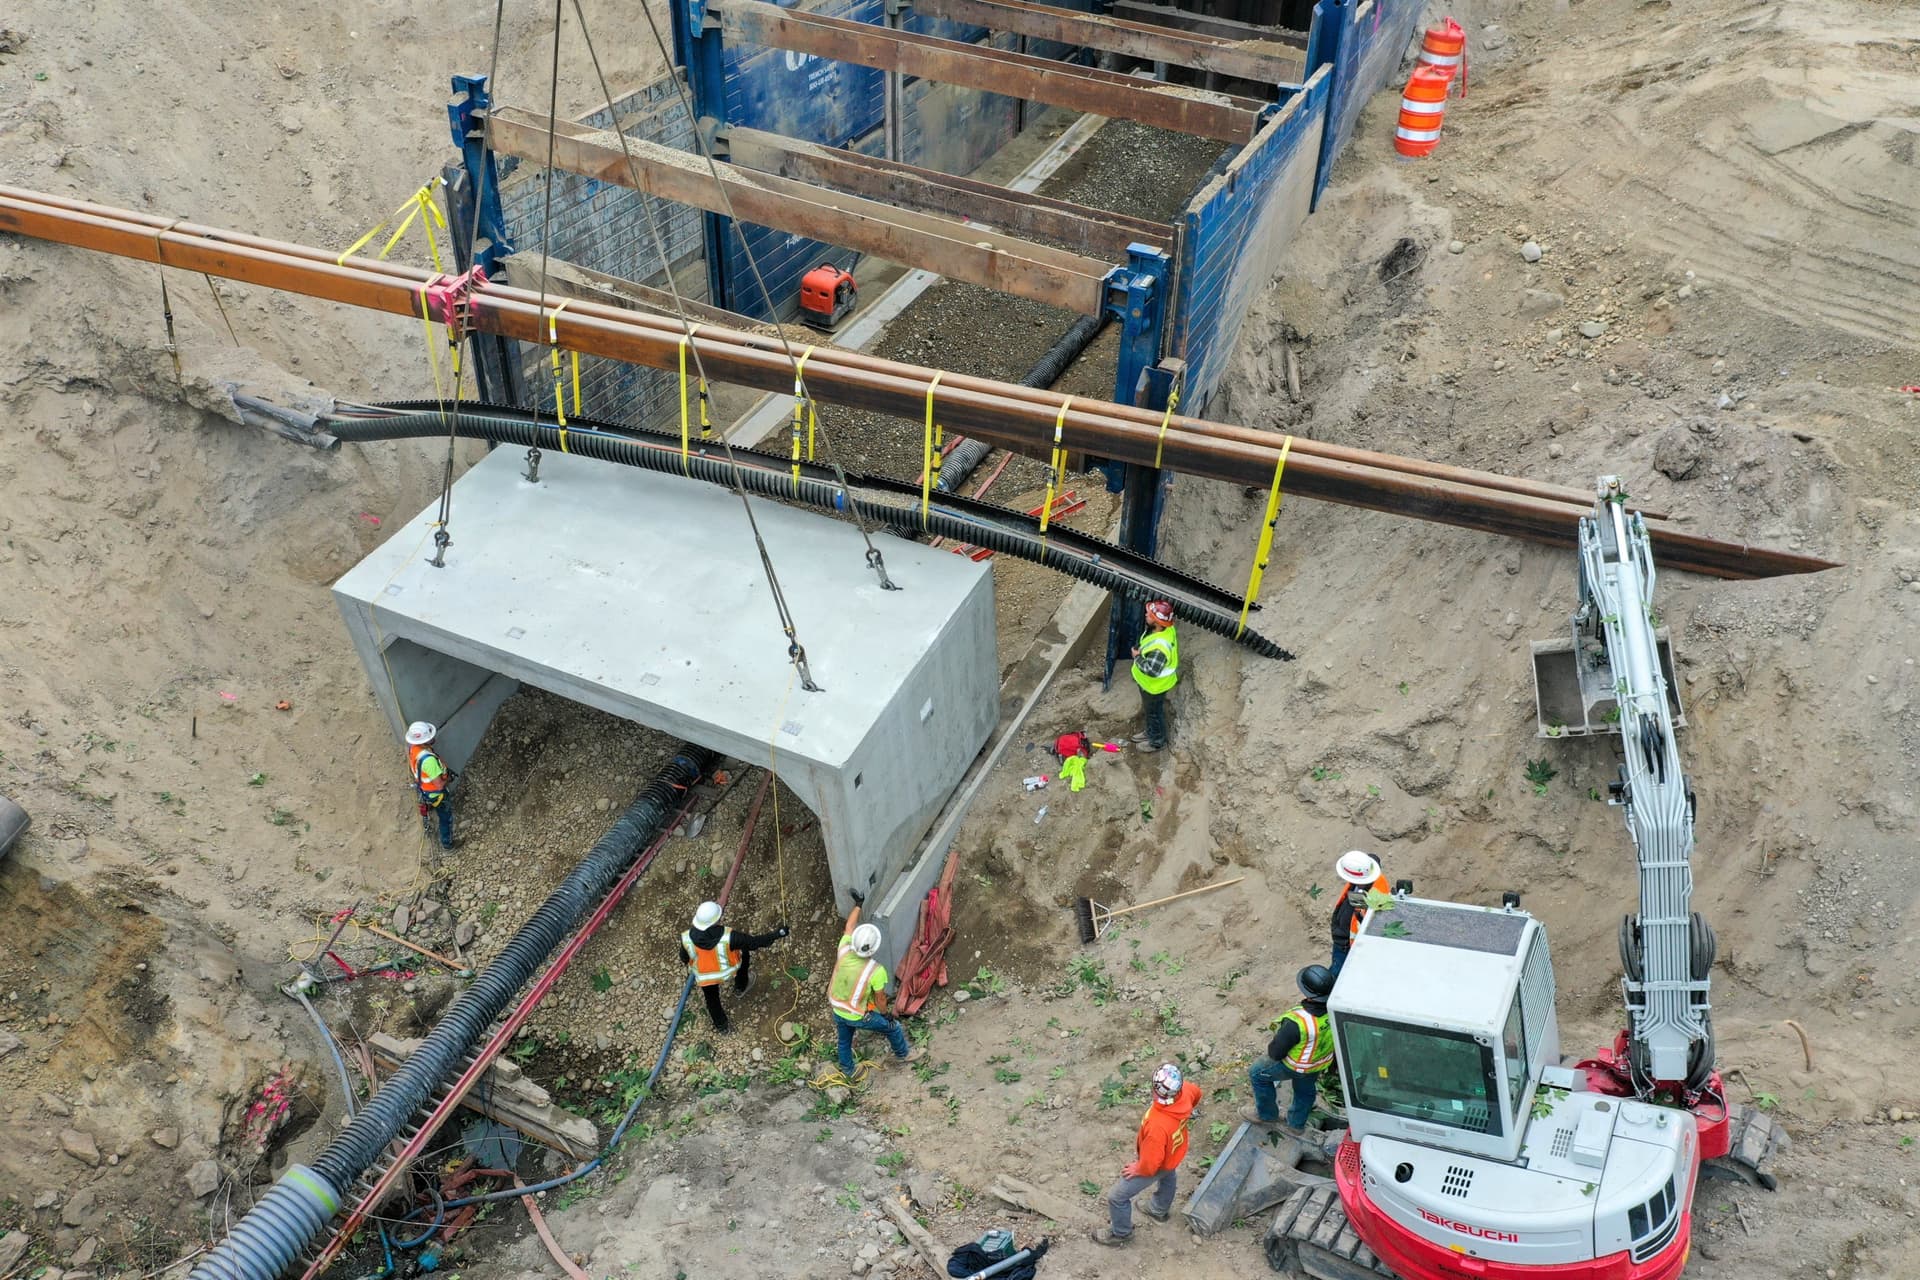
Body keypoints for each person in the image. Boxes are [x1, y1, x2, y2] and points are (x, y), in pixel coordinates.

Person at [1091, 1063, 1202, 1247]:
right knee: (1169, 1175)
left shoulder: (1157, 1125)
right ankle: (1158, 1209)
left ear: (1155, 1089)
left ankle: (1121, 1234)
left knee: (1117, 1197)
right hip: (1175, 1151)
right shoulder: (1186, 1091)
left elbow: (1150, 1165)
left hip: (1158, 1161)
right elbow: (1197, 1093)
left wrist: (1138, 1168)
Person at [828, 898, 924, 1075]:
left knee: (844, 1041)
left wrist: (858, 904)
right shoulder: (875, 970)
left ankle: (848, 1070)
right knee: (892, 1028)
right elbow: (880, 998)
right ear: (873, 949)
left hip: (837, 1007)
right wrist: (885, 1014)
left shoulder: (844, 949)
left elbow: (848, 927)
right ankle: (902, 1054)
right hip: (856, 1013)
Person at [1243, 965, 1336, 1136]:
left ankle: (1267, 1115)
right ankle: (1296, 1124)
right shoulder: (1335, 1009)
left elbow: (1275, 1053)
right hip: (1318, 1063)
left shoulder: (1298, 1022)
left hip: (1295, 1066)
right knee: (1305, 1091)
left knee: (1257, 1073)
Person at [679, 901, 789, 1033]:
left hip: (705, 977)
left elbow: (684, 958)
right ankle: (741, 986)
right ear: (716, 920)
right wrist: (777, 934)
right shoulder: (729, 937)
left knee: (712, 1001)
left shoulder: (686, 938)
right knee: (744, 953)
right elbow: (754, 943)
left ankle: (722, 1027)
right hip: (728, 971)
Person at [1329, 849, 1390, 977]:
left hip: (1350, 948)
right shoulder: (1360, 885)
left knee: (1337, 981)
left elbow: (1369, 927)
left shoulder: (1375, 896)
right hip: (1343, 943)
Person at [1129, 600, 1179, 754]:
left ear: (1157, 623)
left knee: (1154, 713)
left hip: (1154, 687)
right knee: (1151, 711)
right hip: (1149, 685)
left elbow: (1152, 670)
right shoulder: (1161, 630)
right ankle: (1150, 731)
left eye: (1149, 615)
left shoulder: (1160, 648)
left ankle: (1157, 741)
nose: (1146, 615)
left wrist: (1137, 657)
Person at [405, 722, 455, 849]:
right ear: (424, 741)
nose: (433, 738)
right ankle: (448, 845)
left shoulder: (413, 749)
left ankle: (430, 806)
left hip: (424, 788)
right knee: (445, 818)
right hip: (436, 794)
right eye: (429, 737)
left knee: (431, 802)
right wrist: (448, 779)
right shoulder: (429, 761)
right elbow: (438, 785)